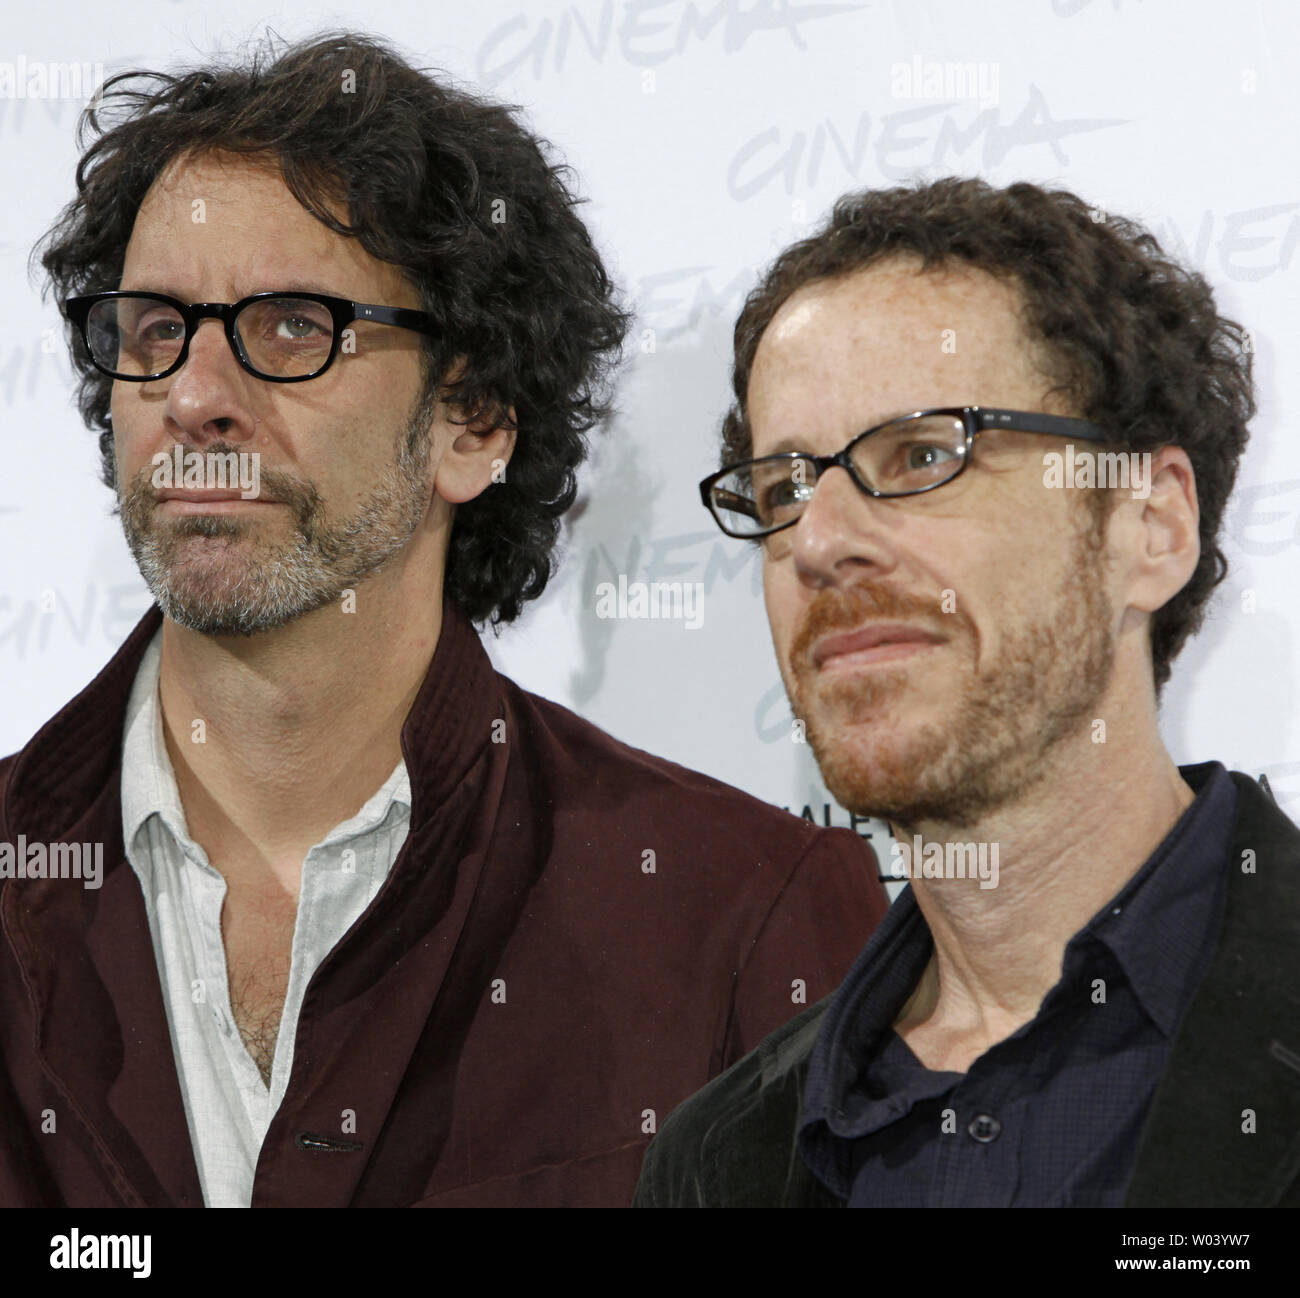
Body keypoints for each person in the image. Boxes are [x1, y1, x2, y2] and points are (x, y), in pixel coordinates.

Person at [0, 32, 885, 1208]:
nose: (196, 397)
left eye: (291, 327)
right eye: (157, 331)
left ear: (472, 419)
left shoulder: (738, 914)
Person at [635, 176, 1300, 1208]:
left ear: (1152, 526)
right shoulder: (718, 1160)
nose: (818, 542)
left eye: (921, 455)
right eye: (784, 488)